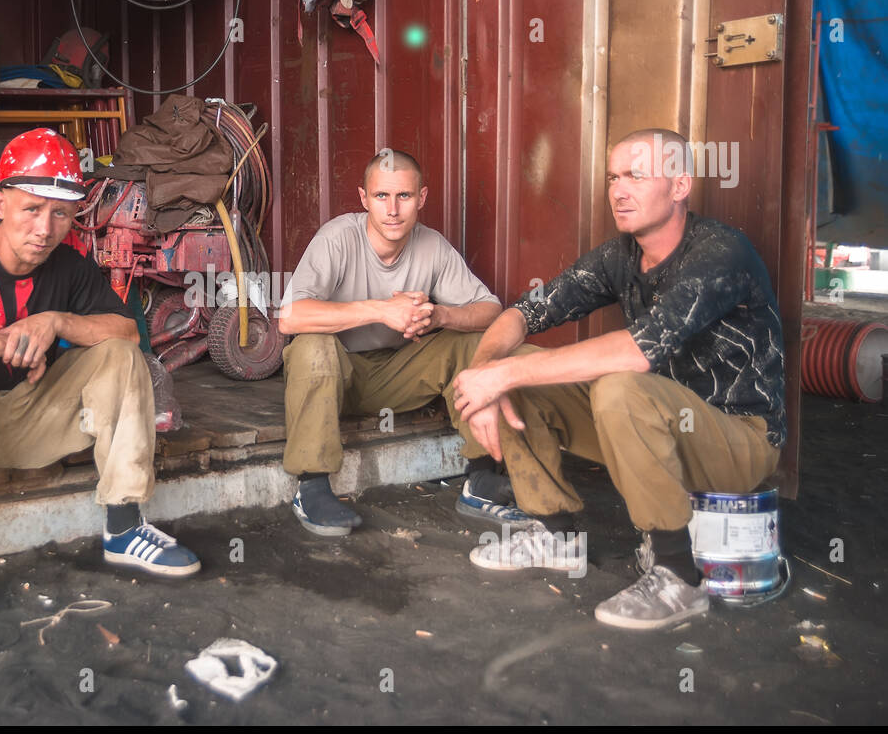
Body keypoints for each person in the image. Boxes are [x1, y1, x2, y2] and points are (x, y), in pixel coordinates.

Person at [449, 128, 785, 630]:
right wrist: (486, 376)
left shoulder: (719, 253)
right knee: (512, 366)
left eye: (636, 175)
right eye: (612, 177)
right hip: (653, 427)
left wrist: (498, 375)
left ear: (679, 186)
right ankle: (554, 533)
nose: (619, 190)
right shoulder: (619, 257)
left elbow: (637, 350)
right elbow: (525, 312)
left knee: (616, 383)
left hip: (736, 439)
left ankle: (677, 576)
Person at [0, 128, 200, 628]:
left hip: (38, 419)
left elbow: (125, 330)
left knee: (119, 354)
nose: (45, 228)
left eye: (60, 213)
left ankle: (123, 525)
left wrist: (54, 323)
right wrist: (3, 340)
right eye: (31, 208)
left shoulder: (68, 265)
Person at [277, 149, 503, 536]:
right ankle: (312, 485)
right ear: (364, 199)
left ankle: (482, 478)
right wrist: (382, 310)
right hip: (336, 377)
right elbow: (290, 317)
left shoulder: (431, 245)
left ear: (423, 198)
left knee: (472, 340)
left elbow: (491, 310)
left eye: (404, 196)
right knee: (313, 345)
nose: (393, 209)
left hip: (400, 373)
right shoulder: (338, 238)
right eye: (381, 196)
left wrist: (439, 314)